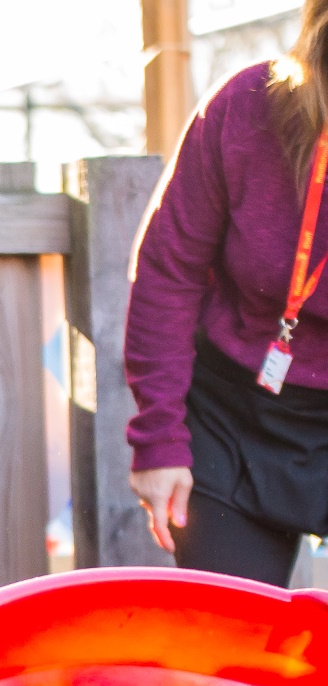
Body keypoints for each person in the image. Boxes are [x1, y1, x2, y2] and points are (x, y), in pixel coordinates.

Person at [127, 2, 328, 584]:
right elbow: (168, 270)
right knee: (227, 646)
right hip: (231, 415)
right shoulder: (246, 107)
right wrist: (159, 439)